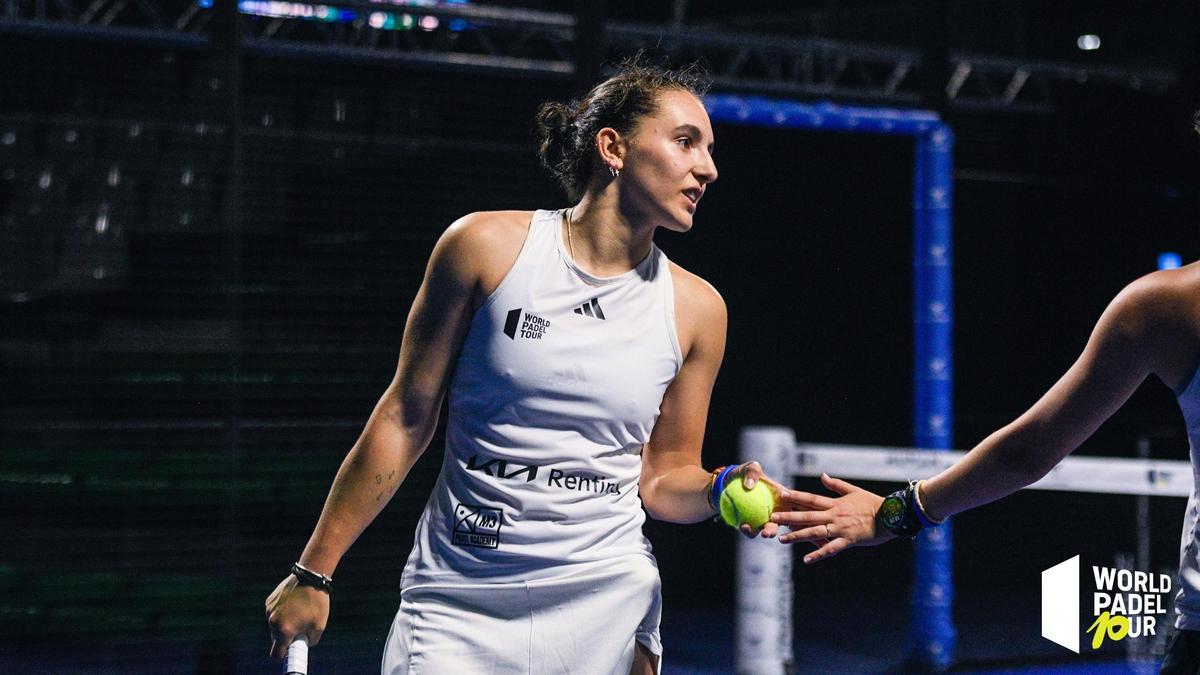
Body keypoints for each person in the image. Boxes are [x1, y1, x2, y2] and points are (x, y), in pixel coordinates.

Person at [264, 59, 785, 675]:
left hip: (606, 595)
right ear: (612, 147)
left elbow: (663, 477)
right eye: (685, 141)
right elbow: (407, 415)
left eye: (710, 149)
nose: (708, 167)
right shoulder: (482, 248)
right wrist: (313, 569)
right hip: (459, 596)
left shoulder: (699, 309)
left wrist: (718, 490)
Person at [773, 252, 1200, 670]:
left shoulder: (1169, 303)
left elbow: (1027, 453)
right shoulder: (1166, 304)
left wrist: (895, 515)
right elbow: (1024, 455)